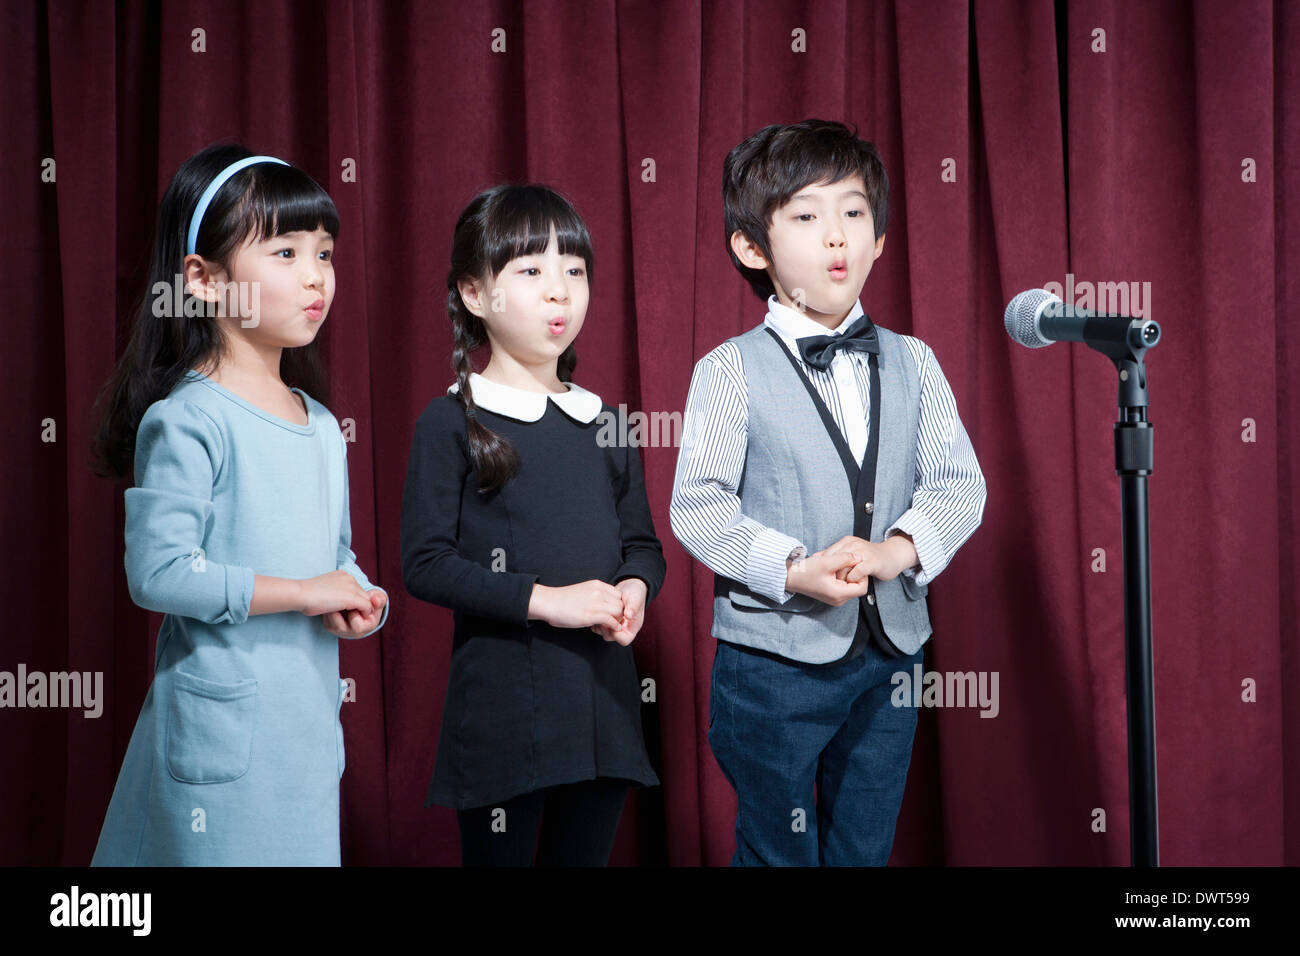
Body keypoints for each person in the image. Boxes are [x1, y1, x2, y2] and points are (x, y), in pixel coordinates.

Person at [670, 119, 986, 866]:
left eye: (853, 213)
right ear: (753, 247)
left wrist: (899, 550)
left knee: (863, 850)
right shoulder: (728, 368)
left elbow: (959, 482)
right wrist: (791, 568)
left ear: (880, 239)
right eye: (807, 217)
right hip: (773, 665)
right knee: (777, 853)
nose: (836, 237)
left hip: (892, 657)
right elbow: (700, 504)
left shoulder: (915, 359)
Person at [88, 143, 388, 866]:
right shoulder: (190, 419)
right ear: (204, 279)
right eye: (284, 253)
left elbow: (334, 555)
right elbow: (158, 574)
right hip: (219, 748)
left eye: (324, 252)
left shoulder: (319, 426)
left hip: (306, 735)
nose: (316, 276)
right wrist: (302, 592)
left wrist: (357, 595)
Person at [401, 184, 664, 866]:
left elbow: (643, 546)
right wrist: (550, 603)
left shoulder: (607, 422)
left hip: (603, 706)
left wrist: (634, 589)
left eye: (574, 271)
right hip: (505, 712)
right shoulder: (451, 419)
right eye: (531, 271)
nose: (560, 292)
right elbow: (425, 563)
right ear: (473, 292)